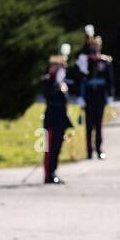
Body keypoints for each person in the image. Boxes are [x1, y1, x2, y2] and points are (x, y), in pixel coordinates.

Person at [77, 34, 113, 159]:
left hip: (100, 96)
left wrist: (110, 95)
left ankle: (98, 148)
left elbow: (109, 80)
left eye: (97, 46)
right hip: (89, 96)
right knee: (88, 125)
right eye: (93, 46)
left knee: (99, 124)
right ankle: (88, 151)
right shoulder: (86, 61)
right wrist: (80, 96)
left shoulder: (104, 61)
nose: (95, 49)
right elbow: (81, 79)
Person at [42, 53, 72, 185]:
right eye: (59, 66)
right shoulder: (47, 80)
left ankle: (54, 172)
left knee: (58, 148)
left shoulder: (62, 82)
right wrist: (57, 83)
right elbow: (49, 96)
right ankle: (48, 175)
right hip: (51, 119)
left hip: (61, 120)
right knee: (50, 149)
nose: (62, 69)